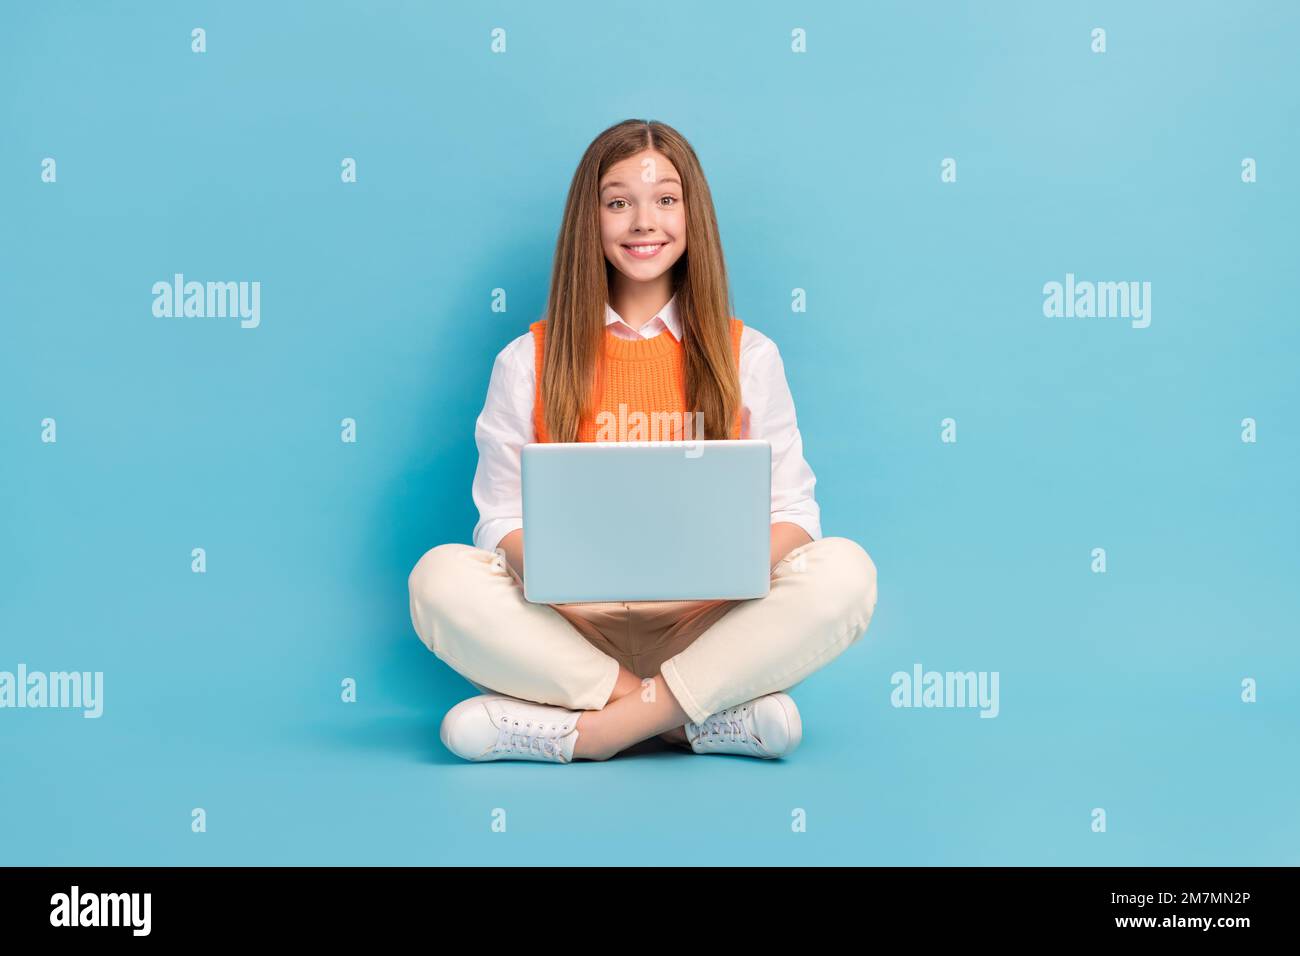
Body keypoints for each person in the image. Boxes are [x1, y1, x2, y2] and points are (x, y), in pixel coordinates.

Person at [408, 119, 878, 763]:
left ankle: (589, 733)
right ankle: (678, 719)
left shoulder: (750, 355)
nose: (642, 221)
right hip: (569, 630)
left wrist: (710, 587)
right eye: (618, 201)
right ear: (591, 218)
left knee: (845, 571)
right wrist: (571, 594)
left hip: (707, 627)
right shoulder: (527, 360)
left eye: (665, 199)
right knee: (438, 578)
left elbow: (795, 516)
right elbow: (500, 522)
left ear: (692, 215)